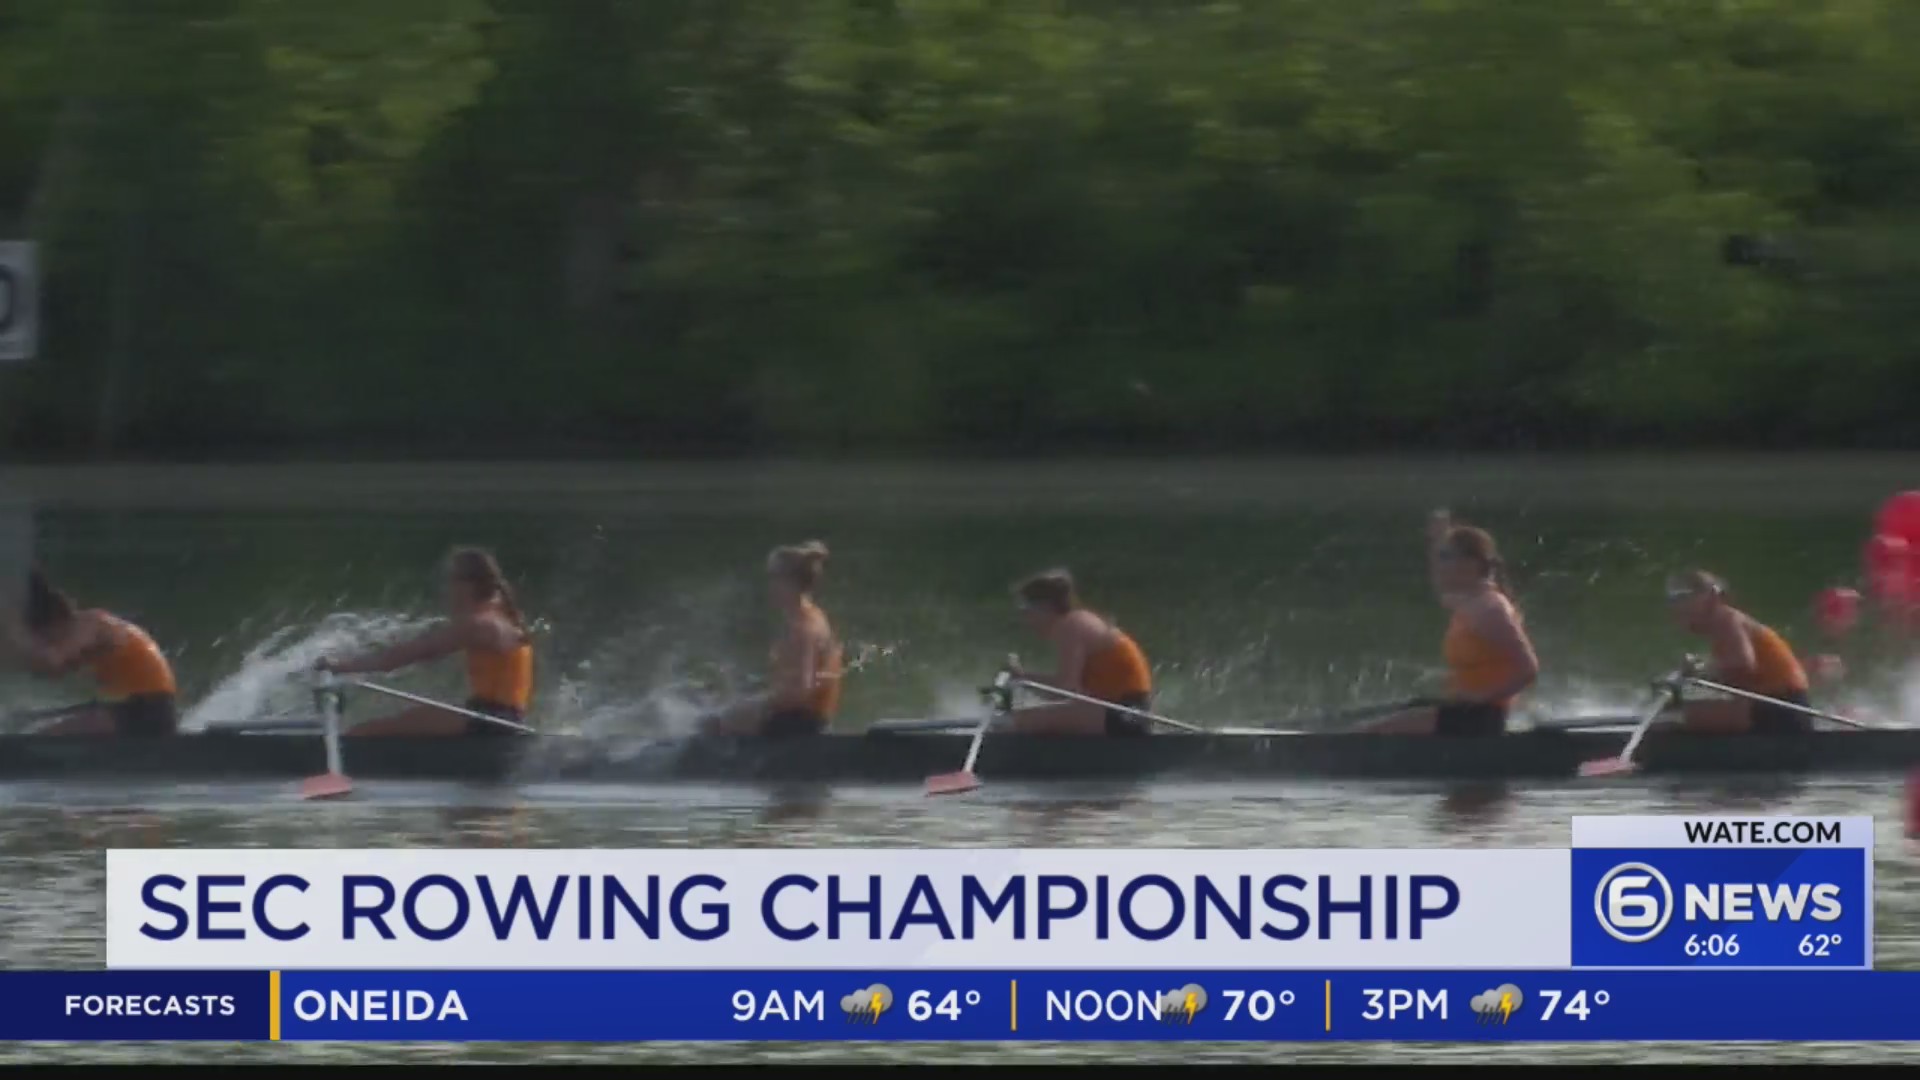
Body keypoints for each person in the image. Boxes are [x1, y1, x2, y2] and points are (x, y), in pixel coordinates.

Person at [317, 548, 533, 737]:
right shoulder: (500, 614)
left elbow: (405, 656)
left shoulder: (480, 624)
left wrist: (341, 666)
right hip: (502, 718)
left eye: (451, 580)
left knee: (366, 731)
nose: (447, 589)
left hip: (490, 721)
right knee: (404, 721)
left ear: (466, 585)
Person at [1365, 513, 1539, 736]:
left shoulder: (1491, 610)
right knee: (1382, 719)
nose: (1441, 564)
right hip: (1459, 711)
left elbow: (1528, 669)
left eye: (1446, 556)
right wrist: (1437, 541)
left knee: (1372, 731)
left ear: (1470, 564)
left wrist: (1479, 698)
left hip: (1479, 718)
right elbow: (1440, 586)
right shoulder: (1468, 601)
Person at [6, 567, 179, 736]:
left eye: (45, 637)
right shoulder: (82, 642)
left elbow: (53, 660)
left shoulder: (91, 623)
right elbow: (51, 671)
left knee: (42, 737)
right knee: (36, 728)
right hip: (131, 709)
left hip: (148, 711)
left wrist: (13, 631)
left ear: (54, 621)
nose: (47, 643)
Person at [704, 541, 843, 737]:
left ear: (792, 582)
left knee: (711, 724)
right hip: (808, 718)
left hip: (802, 724)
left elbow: (801, 691)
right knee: (723, 709)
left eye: (774, 577)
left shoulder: (803, 628)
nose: (770, 585)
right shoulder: (810, 614)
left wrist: (755, 704)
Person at [1004, 569, 1154, 735]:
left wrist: (1023, 679)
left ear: (1045, 607)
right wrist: (1023, 678)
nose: (1026, 620)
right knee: (1032, 717)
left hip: (1125, 713)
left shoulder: (1070, 626)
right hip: (1126, 711)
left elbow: (1066, 691)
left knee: (1023, 720)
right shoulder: (1077, 622)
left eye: (1026, 610)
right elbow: (1068, 692)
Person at [1664, 569, 1811, 734]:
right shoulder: (1722, 626)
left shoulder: (1726, 620)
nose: (1676, 607)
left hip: (1783, 707)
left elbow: (1743, 665)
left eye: (1682, 598)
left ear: (1710, 598)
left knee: (1682, 717)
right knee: (1682, 711)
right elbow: (1736, 679)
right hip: (1776, 703)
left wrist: (1701, 672)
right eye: (1672, 599)